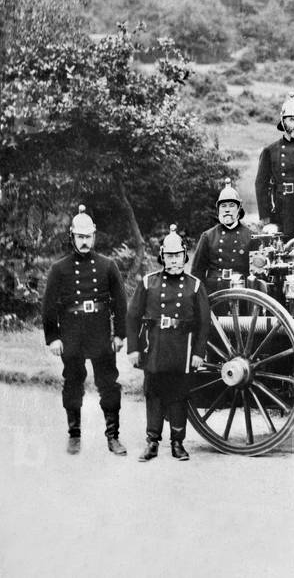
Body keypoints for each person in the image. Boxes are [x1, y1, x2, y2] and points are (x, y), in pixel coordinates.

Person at [42, 205, 128, 455]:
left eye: (88, 236)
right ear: (72, 238)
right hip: (71, 334)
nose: (84, 241)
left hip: (100, 331)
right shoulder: (59, 269)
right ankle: (74, 435)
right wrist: (53, 337)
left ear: (94, 237)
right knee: (72, 383)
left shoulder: (108, 265)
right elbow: (48, 307)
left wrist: (120, 334)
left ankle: (113, 436)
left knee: (109, 384)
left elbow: (121, 304)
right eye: (80, 237)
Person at [127, 225, 210, 462]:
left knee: (178, 395)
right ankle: (152, 442)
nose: (174, 261)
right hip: (154, 345)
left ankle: (177, 443)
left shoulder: (194, 285)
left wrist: (198, 353)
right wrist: (133, 348)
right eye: (169, 257)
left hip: (182, 347)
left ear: (185, 257)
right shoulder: (148, 282)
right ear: (162, 257)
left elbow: (204, 324)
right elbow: (132, 317)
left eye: (178, 257)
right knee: (153, 393)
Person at [255, 93, 294, 239]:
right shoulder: (270, 150)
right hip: (281, 210)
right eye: (291, 120)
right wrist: (266, 218)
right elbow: (261, 185)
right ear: (282, 122)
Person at [191, 180, 254, 294]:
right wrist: (202, 298)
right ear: (219, 209)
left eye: (232, 205)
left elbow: (256, 272)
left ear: (239, 209)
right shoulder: (208, 236)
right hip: (214, 292)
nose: (227, 210)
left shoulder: (251, 236)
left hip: (243, 291)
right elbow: (197, 272)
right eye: (223, 206)